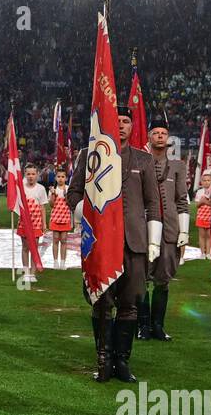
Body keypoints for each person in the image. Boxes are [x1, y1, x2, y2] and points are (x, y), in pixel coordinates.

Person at [65, 105, 162, 382]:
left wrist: (153, 242)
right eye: (115, 120)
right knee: (102, 302)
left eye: (125, 121)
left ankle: (122, 362)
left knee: (130, 303)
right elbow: (73, 193)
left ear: (132, 127)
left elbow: (153, 204)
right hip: (101, 243)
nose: (120, 125)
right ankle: (103, 360)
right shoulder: (88, 155)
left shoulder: (143, 160)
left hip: (134, 243)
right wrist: (88, 210)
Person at [141, 117, 191, 341]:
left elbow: (182, 200)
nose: (160, 136)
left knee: (163, 279)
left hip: (170, 229)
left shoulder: (178, 166)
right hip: (143, 229)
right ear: (149, 137)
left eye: (164, 133)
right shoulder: (139, 162)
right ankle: (142, 326)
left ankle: (158, 326)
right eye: (156, 133)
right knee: (140, 278)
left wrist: (184, 231)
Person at [18, 163, 47, 284]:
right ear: (25, 174)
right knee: (25, 247)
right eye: (28, 174)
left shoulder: (40, 189)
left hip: (36, 222)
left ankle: (33, 273)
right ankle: (26, 272)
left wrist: (44, 224)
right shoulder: (21, 187)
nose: (31, 176)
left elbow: (42, 207)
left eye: (33, 174)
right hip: (24, 222)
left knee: (34, 248)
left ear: (37, 175)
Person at [48, 167, 73, 269]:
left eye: (62, 177)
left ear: (66, 178)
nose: (60, 179)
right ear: (55, 178)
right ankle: (55, 262)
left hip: (65, 217)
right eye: (58, 176)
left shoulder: (68, 189)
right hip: (55, 217)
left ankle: (63, 262)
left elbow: (69, 203)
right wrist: (53, 194)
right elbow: (51, 204)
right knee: (55, 239)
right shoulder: (53, 190)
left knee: (63, 240)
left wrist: (66, 194)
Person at [195, 169, 211, 259]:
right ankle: (202, 253)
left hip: (210, 217)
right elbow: (197, 205)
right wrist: (202, 201)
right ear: (201, 182)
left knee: (209, 235)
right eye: (204, 180)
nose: (206, 182)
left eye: (208, 180)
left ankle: (208, 253)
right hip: (201, 217)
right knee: (202, 235)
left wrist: (204, 201)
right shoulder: (199, 192)